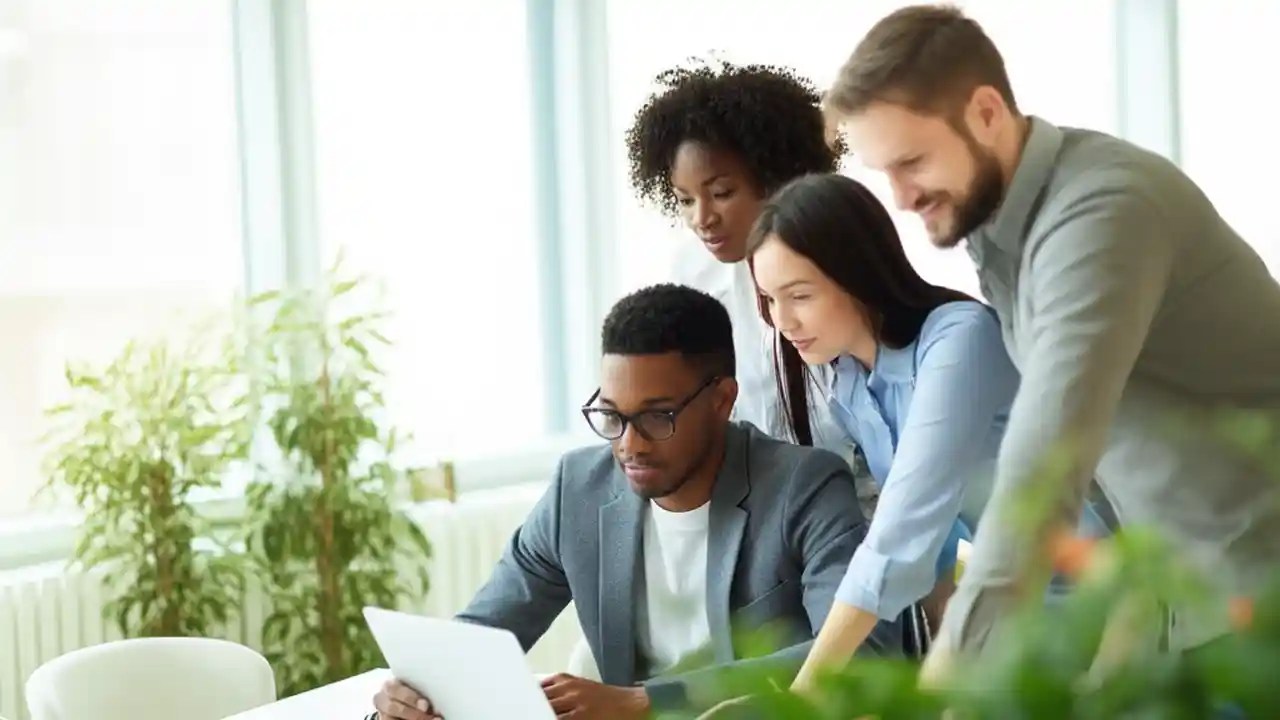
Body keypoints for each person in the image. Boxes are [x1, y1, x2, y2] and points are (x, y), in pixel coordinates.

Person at [821, 3, 1280, 679]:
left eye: (912, 162)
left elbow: (1046, 466)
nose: (901, 198)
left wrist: (943, 684)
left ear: (985, 113)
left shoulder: (1099, 217)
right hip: (1187, 598)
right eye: (883, 171)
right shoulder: (1001, 225)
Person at [370, 284, 901, 720]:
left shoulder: (802, 487)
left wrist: (644, 702)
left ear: (721, 400)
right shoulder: (578, 487)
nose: (628, 442)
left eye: (656, 416)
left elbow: (859, 655)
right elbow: (482, 632)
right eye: (611, 415)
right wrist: (415, 691)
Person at [746, 171, 1014, 687]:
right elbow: (934, 551)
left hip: (1090, 600)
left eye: (799, 295)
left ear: (856, 272)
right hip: (1005, 616)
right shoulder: (850, 385)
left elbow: (900, 537)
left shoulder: (959, 341)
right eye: (770, 300)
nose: (784, 321)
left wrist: (804, 693)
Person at [624, 60, 858, 471]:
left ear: (774, 178)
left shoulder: (840, 263)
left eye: (722, 192)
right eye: (685, 200)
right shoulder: (693, 274)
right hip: (752, 499)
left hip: (854, 501)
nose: (702, 218)